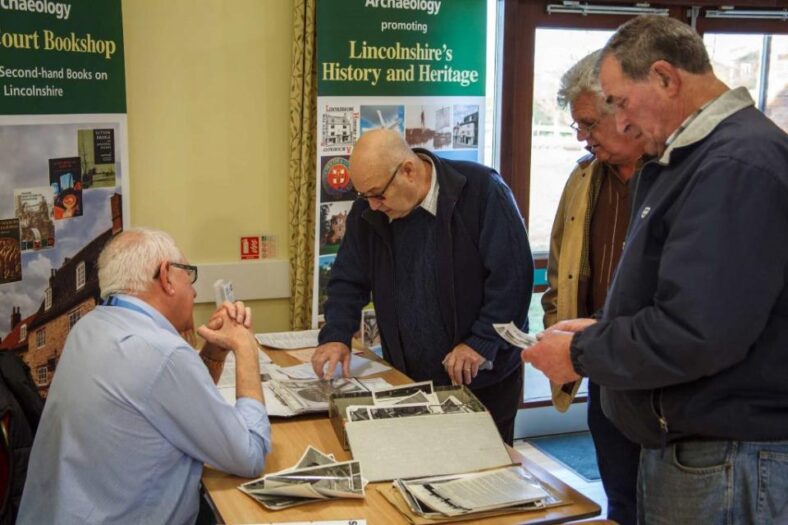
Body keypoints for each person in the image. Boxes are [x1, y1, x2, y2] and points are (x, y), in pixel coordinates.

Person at [522, 15, 788, 524]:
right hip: (695, 451)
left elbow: (697, 331)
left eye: (619, 103)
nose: (619, 123)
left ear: (666, 78)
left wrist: (581, 351)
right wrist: (603, 326)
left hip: (725, 458)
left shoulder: (735, 164)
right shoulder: (691, 159)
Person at [18, 228, 271, 525]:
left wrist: (214, 350)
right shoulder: (163, 353)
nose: (194, 291)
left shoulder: (87, 329)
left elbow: (176, 403)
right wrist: (245, 346)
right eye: (189, 275)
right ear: (166, 276)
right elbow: (250, 455)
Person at [312, 129, 533, 445]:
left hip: (481, 382)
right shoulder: (370, 209)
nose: (372, 206)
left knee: (482, 476)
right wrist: (336, 334)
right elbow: (349, 279)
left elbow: (512, 279)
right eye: (365, 196)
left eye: (378, 194)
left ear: (408, 171)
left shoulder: (481, 191)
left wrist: (480, 340)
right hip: (410, 379)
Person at [542, 49, 644, 525]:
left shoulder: (676, 179)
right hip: (602, 367)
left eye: (588, 124)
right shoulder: (584, 177)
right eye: (576, 127)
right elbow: (560, 264)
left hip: (658, 374)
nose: (582, 137)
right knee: (618, 497)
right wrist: (555, 331)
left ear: (621, 112)